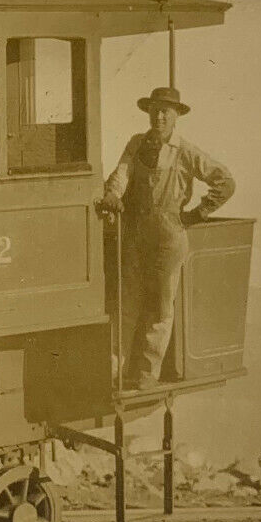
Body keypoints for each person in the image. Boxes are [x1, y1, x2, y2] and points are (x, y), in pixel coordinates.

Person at [96, 86, 234, 391]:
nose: (159, 116)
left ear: (175, 117)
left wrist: (197, 214)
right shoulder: (136, 143)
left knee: (160, 307)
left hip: (169, 236)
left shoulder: (185, 151)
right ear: (148, 113)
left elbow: (224, 182)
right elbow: (121, 173)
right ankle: (112, 374)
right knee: (126, 303)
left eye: (166, 112)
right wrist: (113, 194)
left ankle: (146, 375)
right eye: (155, 110)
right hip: (135, 233)